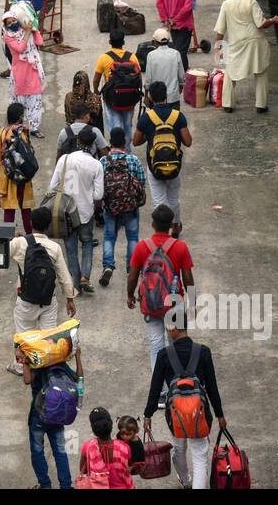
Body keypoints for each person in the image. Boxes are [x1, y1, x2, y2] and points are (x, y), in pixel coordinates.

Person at [142, 298, 226, 489]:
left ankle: (185, 481)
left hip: (175, 413)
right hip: (199, 412)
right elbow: (212, 387)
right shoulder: (203, 352)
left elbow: (155, 389)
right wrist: (220, 415)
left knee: (179, 450)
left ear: (172, 328)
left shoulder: (164, 355)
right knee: (199, 454)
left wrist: (148, 415)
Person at [7, 206, 77, 374]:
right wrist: (70, 299)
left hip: (25, 299)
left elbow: (1, 253)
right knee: (48, 334)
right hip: (48, 300)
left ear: (30, 223)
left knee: (23, 333)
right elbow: (64, 276)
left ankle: (21, 366)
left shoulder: (20, 243)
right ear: (48, 226)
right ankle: (47, 364)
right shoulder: (54, 247)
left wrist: (14, 238)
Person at [128, 204, 195, 372]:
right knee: (178, 345)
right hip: (175, 303)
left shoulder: (142, 247)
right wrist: (192, 302)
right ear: (172, 224)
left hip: (151, 304)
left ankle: (160, 392)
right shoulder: (181, 247)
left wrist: (130, 295)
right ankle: (178, 387)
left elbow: (133, 276)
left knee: (156, 346)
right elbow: (187, 278)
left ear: (153, 224)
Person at [215, 0, 278, 113]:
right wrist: (274, 20)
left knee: (230, 73)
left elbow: (220, 30)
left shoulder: (226, 4)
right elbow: (261, 24)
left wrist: (219, 50)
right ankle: (261, 105)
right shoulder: (251, 2)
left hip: (236, 45)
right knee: (261, 72)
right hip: (255, 43)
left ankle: (227, 104)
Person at [131, 82, 192, 237]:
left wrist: (150, 135)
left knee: (159, 200)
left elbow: (136, 141)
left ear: (150, 96)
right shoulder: (177, 116)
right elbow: (188, 141)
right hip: (175, 166)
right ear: (166, 95)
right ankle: (176, 225)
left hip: (154, 166)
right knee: (174, 199)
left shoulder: (146, 118)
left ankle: (161, 230)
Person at [48, 130, 104, 292]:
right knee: (87, 243)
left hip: (65, 213)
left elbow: (52, 187)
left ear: (78, 142)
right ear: (93, 145)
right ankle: (86, 277)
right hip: (85, 212)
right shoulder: (96, 164)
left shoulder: (64, 160)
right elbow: (99, 194)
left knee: (71, 249)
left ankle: (75, 283)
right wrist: (87, 194)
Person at [99, 126, 146, 288]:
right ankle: (132, 267)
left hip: (110, 207)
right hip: (131, 207)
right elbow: (141, 182)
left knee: (109, 237)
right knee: (132, 237)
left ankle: (108, 266)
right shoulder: (133, 160)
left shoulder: (104, 161)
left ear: (110, 143)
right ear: (125, 143)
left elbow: (99, 186)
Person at [23, 354, 76, 489]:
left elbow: (27, 380)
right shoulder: (60, 364)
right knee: (60, 451)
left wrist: (25, 362)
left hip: (38, 416)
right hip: (57, 417)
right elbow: (78, 377)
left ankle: (45, 485)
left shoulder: (37, 364)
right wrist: (78, 357)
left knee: (37, 451)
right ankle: (66, 485)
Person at [92, 29, 144, 152]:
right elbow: (139, 77)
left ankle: (116, 150)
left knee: (115, 127)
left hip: (112, 100)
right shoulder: (132, 57)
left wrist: (97, 91)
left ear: (110, 41)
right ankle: (127, 151)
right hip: (129, 99)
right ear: (123, 42)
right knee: (127, 125)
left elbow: (96, 80)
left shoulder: (104, 58)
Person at [0, 102, 38, 232]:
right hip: (21, 174)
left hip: (7, 174)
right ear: (20, 117)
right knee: (25, 207)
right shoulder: (20, 132)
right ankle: (30, 235)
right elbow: (28, 152)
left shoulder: (2, 131)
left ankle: (9, 238)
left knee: (9, 208)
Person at [3, 9, 46, 135]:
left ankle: (34, 128)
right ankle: (17, 127)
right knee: (18, 102)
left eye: (14, 21)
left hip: (32, 70)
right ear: (5, 26)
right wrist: (27, 32)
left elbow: (40, 42)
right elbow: (20, 48)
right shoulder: (8, 36)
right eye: (9, 23)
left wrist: (34, 29)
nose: (12, 24)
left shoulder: (25, 30)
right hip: (19, 74)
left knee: (35, 100)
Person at [77, 406, 133, 489]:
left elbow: (83, 470)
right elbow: (129, 469)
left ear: (93, 429)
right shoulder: (124, 447)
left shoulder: (88, 447)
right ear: (111, 424)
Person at [143, 27, 185, 109]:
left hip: (156, 98)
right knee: (173, 120)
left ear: (154, 42)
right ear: (168, 41)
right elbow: (181, 76)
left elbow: (148, 79)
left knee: (157, 121)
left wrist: (146, 96)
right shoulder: (176, 53)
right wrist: (180, 88)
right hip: (173, 97)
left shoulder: (151, 55)